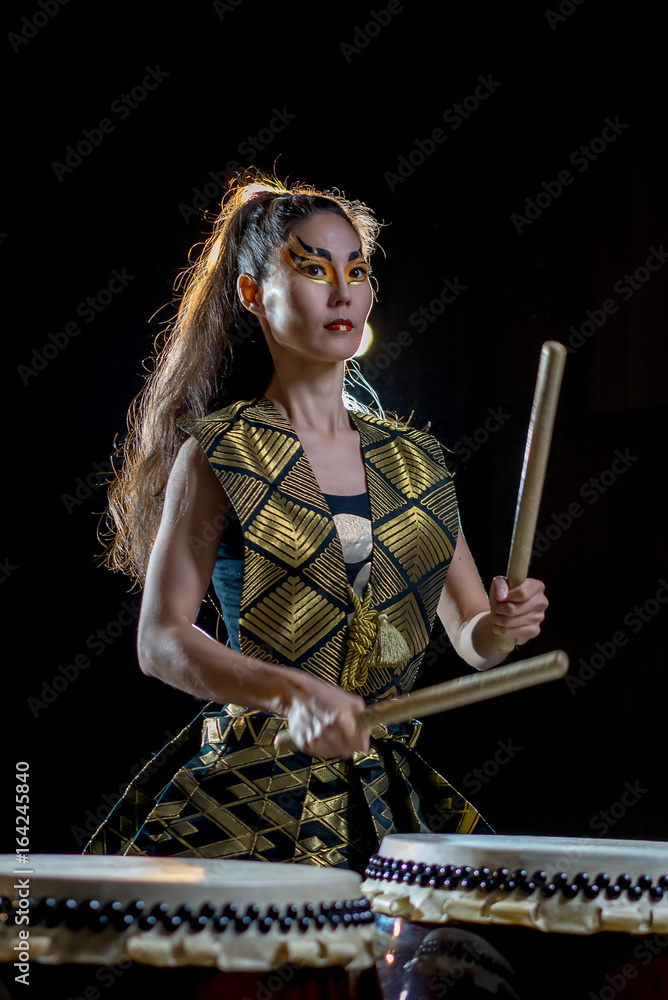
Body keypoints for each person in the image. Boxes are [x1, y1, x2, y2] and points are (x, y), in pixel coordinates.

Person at [85, 174, 548, 872]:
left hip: (383, 793)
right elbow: (159, 639)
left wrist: (504, 626)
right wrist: (290, 689)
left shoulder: (414, 460)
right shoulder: (222, 451)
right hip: (250, 790)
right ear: (252, 295)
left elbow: (473, 636)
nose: (343, 291)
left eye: (357, 271)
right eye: (313, 268)